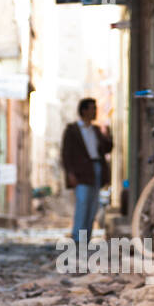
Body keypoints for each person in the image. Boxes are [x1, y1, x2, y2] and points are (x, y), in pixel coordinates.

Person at [60, 97, 112, 245]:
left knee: (93, 205)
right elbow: (66, 153)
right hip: (81, 172)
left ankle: (86, 237)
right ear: (84, 111)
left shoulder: (96, 130)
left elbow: (107, 148)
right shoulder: (73, 130)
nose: (95, 111)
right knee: (82, 203)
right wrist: (70, 173)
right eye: (92, 108)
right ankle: (77, 237)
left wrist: (107, 134)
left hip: (96, 169)